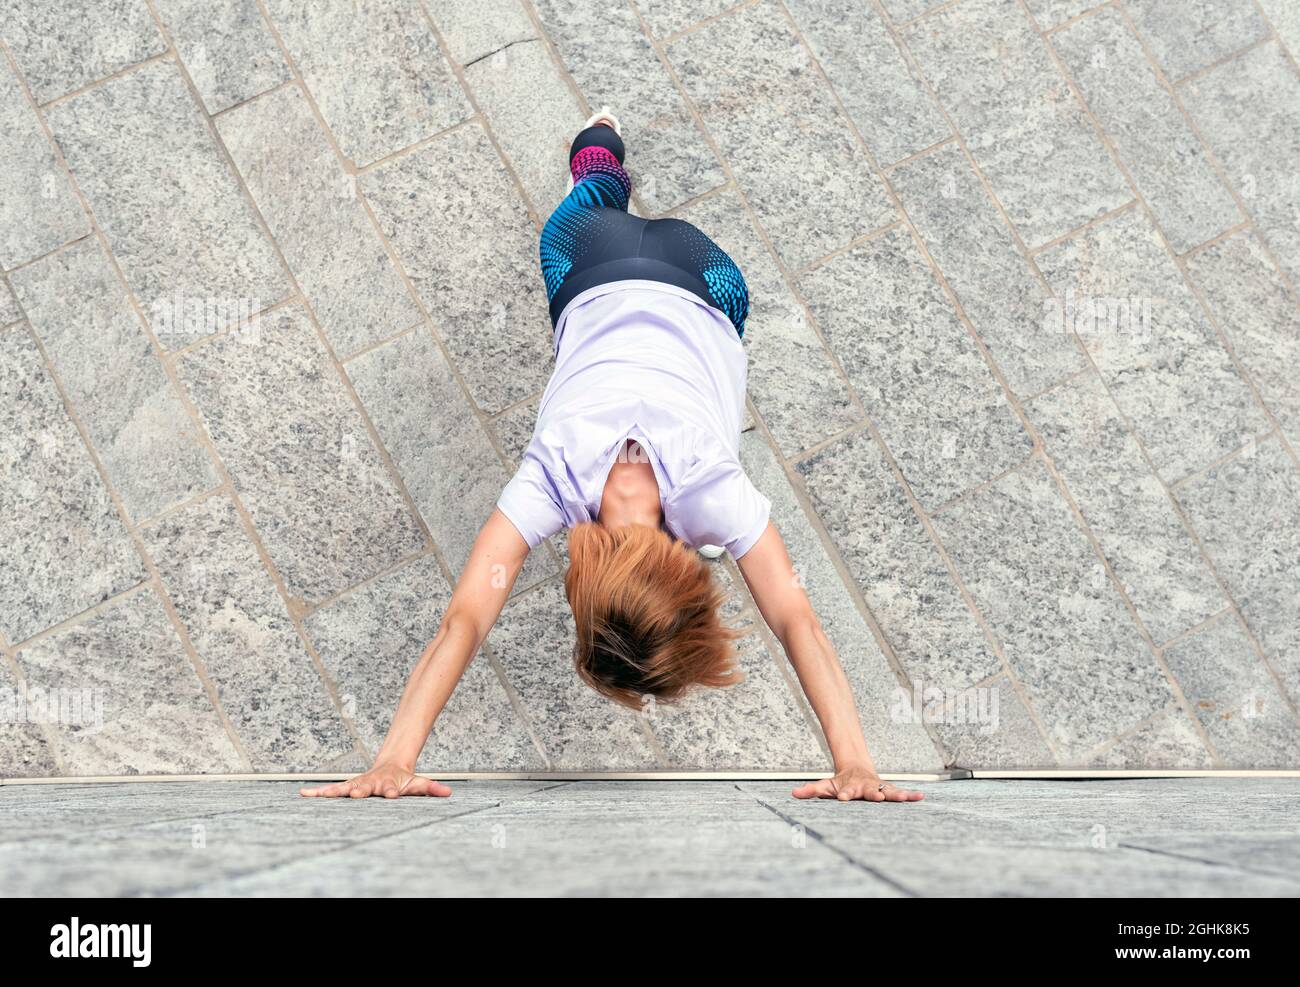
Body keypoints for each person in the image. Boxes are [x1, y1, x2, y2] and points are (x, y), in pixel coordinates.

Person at [302, 111, 922, 804]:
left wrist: (854, 761)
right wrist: (394, 757)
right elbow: (465, 620)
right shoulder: (551, 479)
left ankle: (604, 153)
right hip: (589, 262)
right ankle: (598, 154)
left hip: (705, 273)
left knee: (719, 357)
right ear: (581, 579)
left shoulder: (716, 488)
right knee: (591, 186)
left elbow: (794, 620)